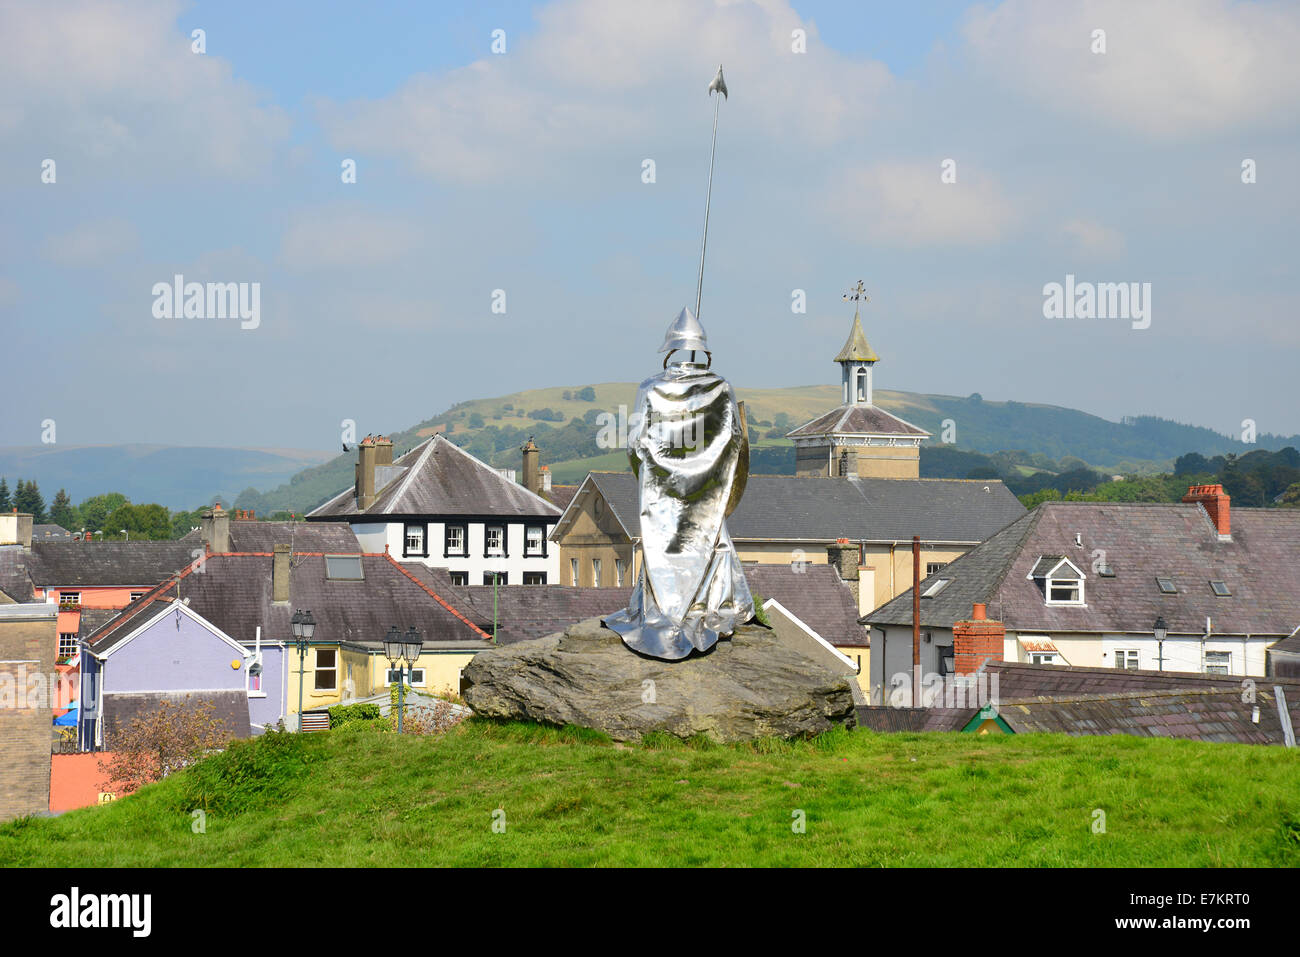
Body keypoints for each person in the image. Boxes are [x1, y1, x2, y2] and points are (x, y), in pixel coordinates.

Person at [604, 306, 754, 660]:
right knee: (710, 541)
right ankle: (708, 604)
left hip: (661, 491)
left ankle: (661, 610)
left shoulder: (651, 388)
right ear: (704, 350)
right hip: (707, 492)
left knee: (662, 549)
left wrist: (658, 474)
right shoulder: (721, 388)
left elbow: (636, 443)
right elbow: (735, 441)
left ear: (669, 349)